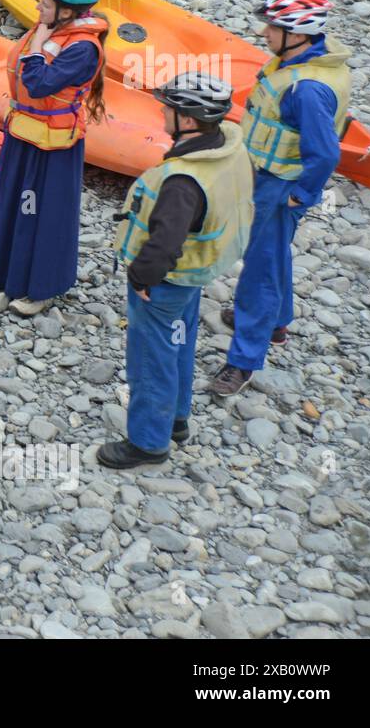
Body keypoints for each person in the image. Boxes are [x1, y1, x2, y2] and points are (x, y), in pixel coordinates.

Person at [100, 73, 253, 468]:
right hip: (194, 274)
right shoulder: (226, 148)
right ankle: (177, 420)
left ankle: (148, 443)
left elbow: (164, 242)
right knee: (179, 343)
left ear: (187, 120)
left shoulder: (183, 181)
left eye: (169, 107)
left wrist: (141, 277)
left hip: (166, 281)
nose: (163, 112)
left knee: (151, 359)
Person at [209, 0, 352, 397]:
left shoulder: (306, 88)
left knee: (259, 272)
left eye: (275, 26)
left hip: (278, 185)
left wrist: (301, 195)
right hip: (267, 176)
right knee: (273, 257)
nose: (265, 32)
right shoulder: (308, 59)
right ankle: (277, 323)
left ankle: (243, 361)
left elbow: (324, 153)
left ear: (299, 34)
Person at [0, 0, 107, 316]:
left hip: (54, 146)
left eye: (45, 6)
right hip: (23, 132)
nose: (38, 11)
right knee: (10, 196)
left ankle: (38, 287)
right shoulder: (52, 28)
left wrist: (35, 40)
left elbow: (38, 83)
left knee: (42, 211)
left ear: (66, 12)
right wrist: (40, 34)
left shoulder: (83, 49)